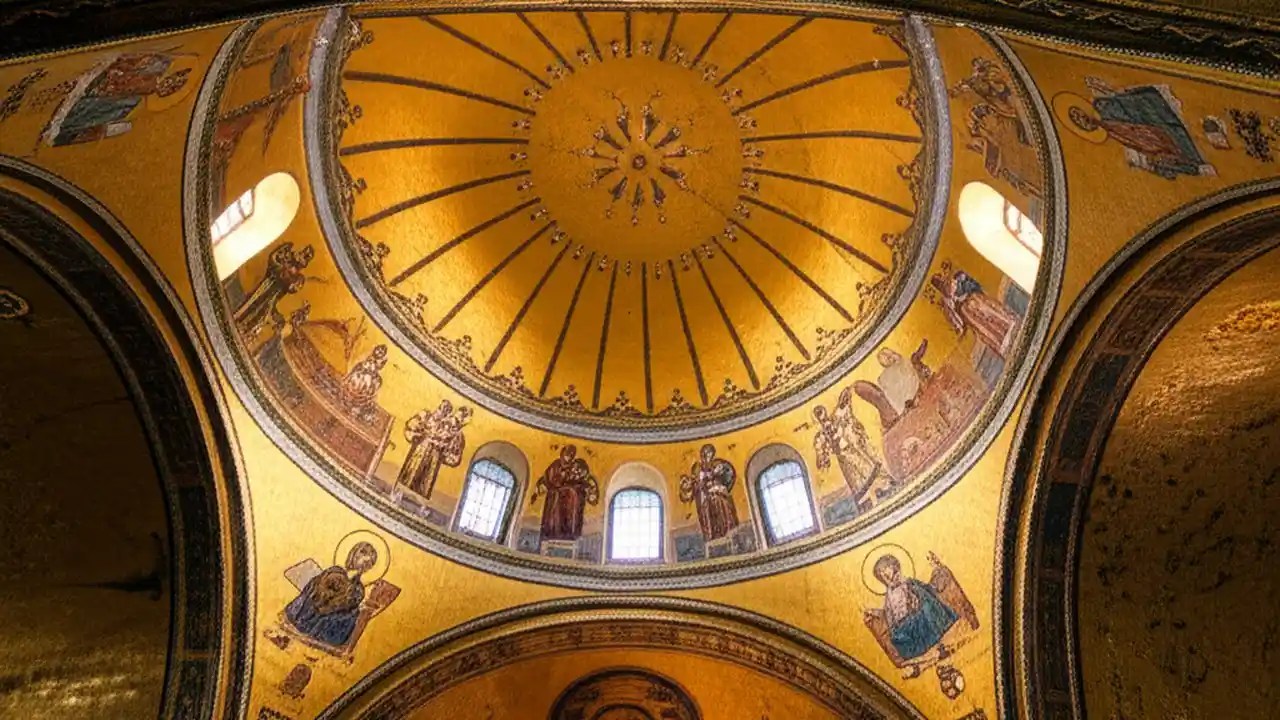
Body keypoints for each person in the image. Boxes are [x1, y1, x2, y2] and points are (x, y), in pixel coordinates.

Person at [39, 51, 192, 148]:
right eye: (147, 78)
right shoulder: (157, 63)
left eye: (169, 88)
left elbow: (62, 134)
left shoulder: (123, 109)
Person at [284, 541, 377, 648]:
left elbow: (347, 606)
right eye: (357, 556)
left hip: (331, 617)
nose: (358, 561)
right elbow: (315, 585)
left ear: (367, 567)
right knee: (313, 591)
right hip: (314, 605)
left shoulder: (358, 589)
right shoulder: (335, 570)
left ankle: (317, 630)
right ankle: (302, 618)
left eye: (365, 562)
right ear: (352, 555)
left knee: (352, 614)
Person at [864, 554, 958, 660]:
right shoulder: (889, 597)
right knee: (899, 637)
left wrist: (915, 599)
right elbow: (888, 614)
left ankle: (939, 645)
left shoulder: (909, 583)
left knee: (926, 610)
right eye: (886, 578)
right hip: (903, 626)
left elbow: (924, 591)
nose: (892, 579)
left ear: (898, 570)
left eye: (894, 573)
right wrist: (875, 613)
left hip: (917, 616)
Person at [930, 270, 1018, 359]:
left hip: (976, 301)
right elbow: (954, 318)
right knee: (985, 327)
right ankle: (1001, 342)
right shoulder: (947, 302)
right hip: (967, 313)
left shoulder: (956, 280)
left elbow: (972, 284)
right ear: (939, 289)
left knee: (992, 314)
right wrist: (961, 325)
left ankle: (1009, 324)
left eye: (941, 280)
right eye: (939, 284)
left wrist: (969, 292)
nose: (942, 284)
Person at [233, 242, 314, 338]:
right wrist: (283, 270)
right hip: (267, 284)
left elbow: (292, 288)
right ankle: (238, 318)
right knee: (252, 301)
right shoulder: (286, 259)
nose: (301, 258)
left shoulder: (299, 278)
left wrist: (289, 278)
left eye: (304, 258)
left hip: (274, 294)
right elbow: (273, 260)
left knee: (262, 312)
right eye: (302, 254)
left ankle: (247, 330)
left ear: (305, 263)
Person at [813, 388, 881, 500]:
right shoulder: (820, 437)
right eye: (819, 415)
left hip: (849, 449)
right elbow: (821, 457)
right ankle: (865, 499)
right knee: (855, 480)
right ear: (817, 419)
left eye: (822, 413)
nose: (822, 417)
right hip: (843, 458)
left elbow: (843, 405)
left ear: (825, 412)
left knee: (865, 467)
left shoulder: (836, 418)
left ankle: (880, 488)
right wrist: (823, 458)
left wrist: (846, 395)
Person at [395, 400, 469, 499]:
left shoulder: (455, 432)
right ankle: (400, 492)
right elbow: (412, 426)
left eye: (445, 411)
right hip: (422, 448)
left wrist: (443, 451)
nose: (442, 412)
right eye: (441, 409)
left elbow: (453, 454)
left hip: (434, 455)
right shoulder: (428, 415)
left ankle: (420, 501)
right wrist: (419, 435)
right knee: (411, 471)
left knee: (426, 480)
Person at [531, 445, 598, 542]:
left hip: (571, 502)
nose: (568, 457)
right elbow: (546, 479)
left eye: (571, 455)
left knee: (571, 503)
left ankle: (570, 535)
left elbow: (585, 480)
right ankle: (550, 535)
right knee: (554, 518)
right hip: (555, 499)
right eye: (567, 454)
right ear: (562, 454)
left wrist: (589, 491)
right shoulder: (555, 465)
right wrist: (537, 492)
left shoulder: (577, 466)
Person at [678, 444, 739, 541]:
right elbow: (698, 481)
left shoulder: (715, 464)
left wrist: (718, 481)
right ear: (703, 454)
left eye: (711, 454)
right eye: (707, 454)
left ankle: (727, 529)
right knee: (709, 506)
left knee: (723, 501)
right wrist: (712, 474)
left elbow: (724, 478)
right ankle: (712, 534)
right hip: (704, 495)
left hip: (715, 491)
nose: (709, 456)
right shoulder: (697, 467)